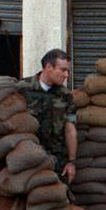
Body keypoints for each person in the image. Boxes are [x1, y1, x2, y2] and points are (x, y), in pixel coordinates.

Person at [18, 48, 78, 187]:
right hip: (28, 159)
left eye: (68, 70)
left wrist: (71, 162)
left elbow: (70, 129)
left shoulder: (65, 95)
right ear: (48, 67)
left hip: (56, 161)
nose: (67, 75)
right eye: (63, 70)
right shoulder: (22, 89)